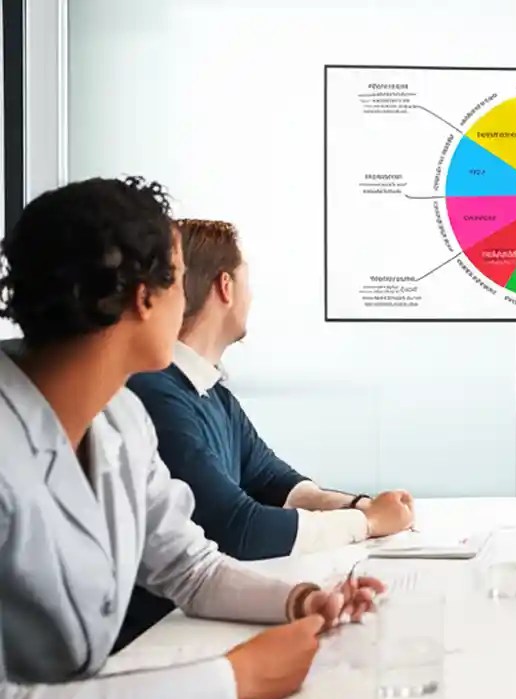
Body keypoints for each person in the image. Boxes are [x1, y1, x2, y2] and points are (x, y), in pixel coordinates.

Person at [0, 177, 383, 699]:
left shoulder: (122, 417)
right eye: (180, 284)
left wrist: (299, 600)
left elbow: (190, 568)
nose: (188, 304)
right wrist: (235, 678)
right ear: (143, 298)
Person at [116, 218, 414, 650]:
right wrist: (367, 522)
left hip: (192, 626)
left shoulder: (209, 391)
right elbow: (238, 530)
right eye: (246, 281)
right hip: (156, 639)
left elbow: (277, 483)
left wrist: (362, 505)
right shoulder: (154, 392)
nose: (252, 297)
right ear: (225, 287)